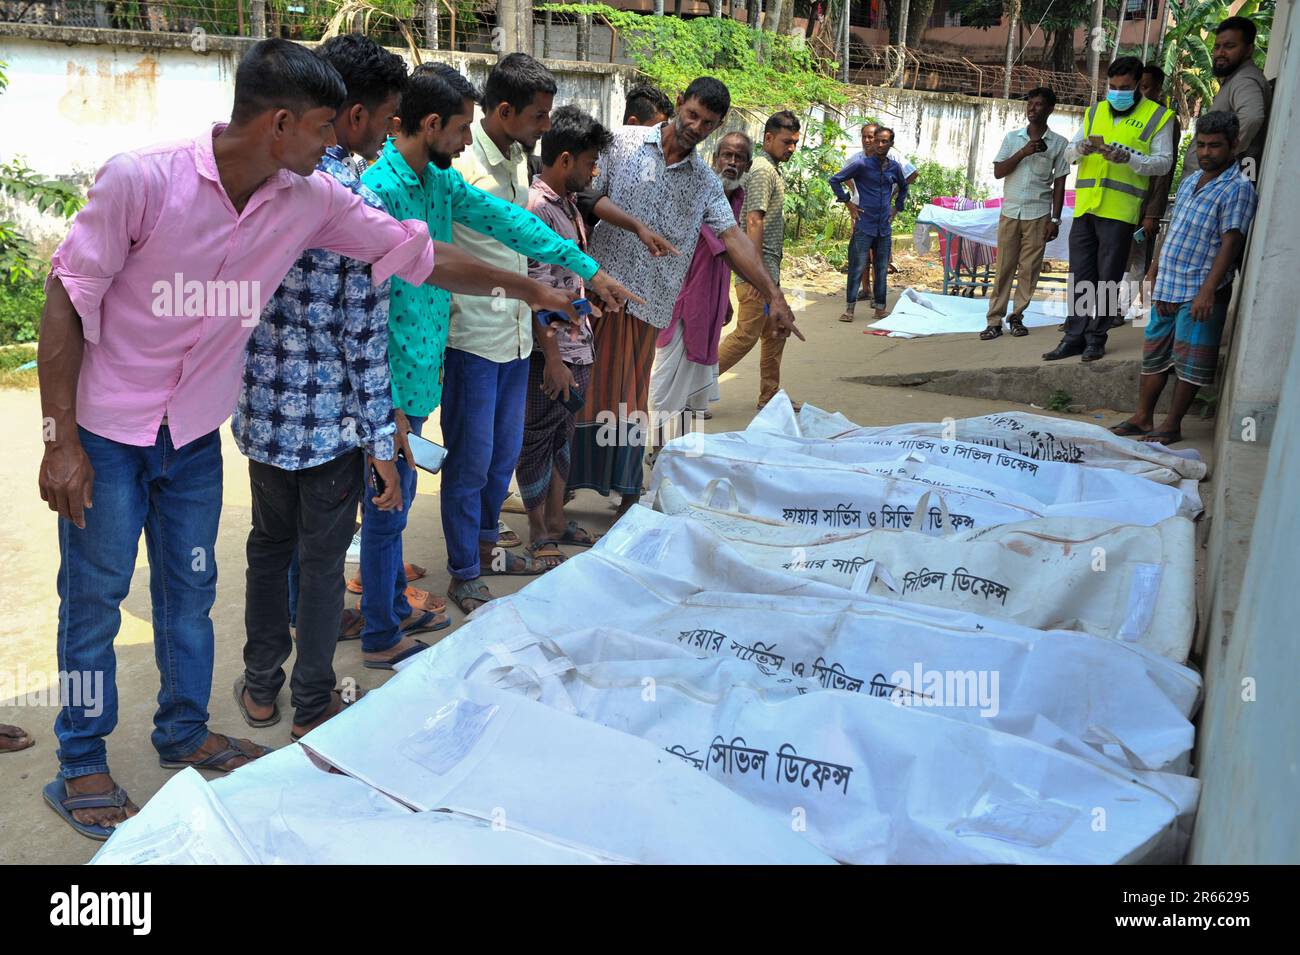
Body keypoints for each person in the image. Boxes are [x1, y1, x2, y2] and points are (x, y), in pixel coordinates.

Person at [36, 38, 582, 841]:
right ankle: (80, 755)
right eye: (327, 126)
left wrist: (527, 283)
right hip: (107, 434)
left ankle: (183, 732)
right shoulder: (141, 179)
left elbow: (417, 255)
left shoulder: (308, 199)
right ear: (283, 123)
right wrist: (59, 441)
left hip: (189, 438)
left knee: (188, 595)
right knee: (95, 603)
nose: (338, 140)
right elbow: (66, 299)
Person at [230, 36, 422, 746]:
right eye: (389, 116)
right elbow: (364, 341)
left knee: (265, 550)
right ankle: (311, 699)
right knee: (319, 566)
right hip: (330, 429)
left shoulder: (262, 183)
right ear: (356, 113)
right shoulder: (358, 205)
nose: (389, 130)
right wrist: (382, 447)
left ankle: (259, 687)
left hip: (263, 419)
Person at [442, 54, 638, 615]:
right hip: (473, 335)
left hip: (516, 337)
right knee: (472, 458)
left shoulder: (517, 162)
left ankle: (485, 549)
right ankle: (464, 570)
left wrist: (590, 277)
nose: (546, 127)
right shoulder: (462, 168)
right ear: (505, 110)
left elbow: (525, 236)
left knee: (502, 454)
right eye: (539, 116)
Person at [571, 76, 801, 518]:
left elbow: (733, 238)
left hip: (650, 302)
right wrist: (632, 227)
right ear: (679, 104)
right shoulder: (622, 142)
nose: (696, 126)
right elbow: (583, 189)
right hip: (597, 289)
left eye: (707, 123)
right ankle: (557, 487)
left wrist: (774, 294)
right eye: (692, 115)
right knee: (580, 385)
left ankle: (625, 491)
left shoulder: (704, 182)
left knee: (630, 396)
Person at [1111, 112, 1256, 446]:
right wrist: (1152, 271)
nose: (1206, 152)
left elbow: (1231, 243)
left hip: (1202, 291)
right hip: (1168, 284)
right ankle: (1142, 417)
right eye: (1201, 145)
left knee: (1190, 360)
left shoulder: (1238, 189)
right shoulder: (1191, 181)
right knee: (1154, 354)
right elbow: (1172, 230)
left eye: (1215, 146)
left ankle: (1172, 424)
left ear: (1233, 145)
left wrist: (1207, 291)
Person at [516, 106, 612, 568]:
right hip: (551, 352)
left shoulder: (568, 206)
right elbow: (535, 290)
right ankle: (538, 531)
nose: (594, 172)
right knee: (537, 438)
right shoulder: (536, 208)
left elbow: (565, 283)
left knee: (561, 435)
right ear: (566, 159)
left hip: (578, 343)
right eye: (591, 163)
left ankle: (556, 520)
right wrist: (551, 356)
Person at [1042, 56, 1173, 363]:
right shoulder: (1095, 111)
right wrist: (1081, 148)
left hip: (1120, 210)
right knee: (1081, 275)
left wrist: (1128, 157)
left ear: (1139, 85)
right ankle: (1074, 336)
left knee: (1107, 277)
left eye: (1124, 87)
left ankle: (1096, 337)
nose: (1116, 93)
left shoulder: (1158, 117)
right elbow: (1068, 153)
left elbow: (1164, 162)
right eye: (1111, 87)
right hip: (1086, 207)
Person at [650, 131, 752, 438]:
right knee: (665, 382)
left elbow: (718, 259)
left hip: (709, 304)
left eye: (739, 158)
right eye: (727, 156)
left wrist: (726, 299)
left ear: (746, 166)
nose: (732, 163)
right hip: (680, 302)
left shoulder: (735, 197)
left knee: (691, 388)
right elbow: (725, 247)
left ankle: (678, 447)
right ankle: (654, 448)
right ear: (715, 158)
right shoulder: (699, 192)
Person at [717, 111, 800, 409]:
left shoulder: (770, 169)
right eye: (786, 141)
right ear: (768, 138)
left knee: (777, 330)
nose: (791, 148)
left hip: (766, 268)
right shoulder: (764, 170)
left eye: (795, 143)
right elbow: (753, 220)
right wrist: (757, 273)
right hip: (757, 269)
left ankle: (770, 397)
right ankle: (693, 389)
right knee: (746, 335)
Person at [981, 87, 1068, 341]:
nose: (1032, 108)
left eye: (1039, 105)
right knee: (1004, 268)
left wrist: (1055, 219)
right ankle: (994, 320)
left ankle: (1017, 316)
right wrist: (1023, 152)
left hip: (1039, 214)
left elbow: (1060, 183)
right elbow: (999, 172)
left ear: (1050, 109)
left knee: (1029, 270)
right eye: (1030, 104)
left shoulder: (1059, 143)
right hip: (1010, 211)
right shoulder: (1013, 138)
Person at [1118, 64, 1183, 326]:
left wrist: (1153, 213)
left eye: (1146, 87)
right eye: (1138, 87)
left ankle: (1122, 310)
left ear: (1158, 89)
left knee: (1137, 260)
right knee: (1117, 257)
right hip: (1121, 203)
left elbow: (1163, 173)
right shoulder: (1126, 115)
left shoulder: (1165, 119)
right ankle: (1107, 310)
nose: (1141, 92)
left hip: (1145, 205)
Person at [1178, 16, 1271, 187]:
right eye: (1217, 47)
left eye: (1230, 46)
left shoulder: (1245, 79)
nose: (1220, 53)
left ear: (1249, 49)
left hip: (1216, 186)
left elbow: (1252, 117)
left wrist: (1220, 159)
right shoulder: (1234, 79)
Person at [831, 126, 909, 322]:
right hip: (864, 224)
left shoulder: (894, 167)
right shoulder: (862, 165)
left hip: (884, 227)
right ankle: (849, 310)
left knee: (881, 268)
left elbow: (904, 185)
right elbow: (835, 180)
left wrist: (896, 207)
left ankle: (880, 308)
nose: (880, 145)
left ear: (892, 144)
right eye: (877, 141)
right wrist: (848, 202)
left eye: (885, 141)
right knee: (857, 267)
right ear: (873, 142)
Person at [849, 121, 917, 291]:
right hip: (861, 210)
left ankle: (878, 295)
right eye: (864, 137)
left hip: (881, 211)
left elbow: (912, 173)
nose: (867, 141)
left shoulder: (893, 160)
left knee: (877, 254)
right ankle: (865, 290)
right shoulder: (856, 159)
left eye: (871, 137)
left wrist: (893, 192)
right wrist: (854, 195)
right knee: (861, 253)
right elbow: (840, 177)